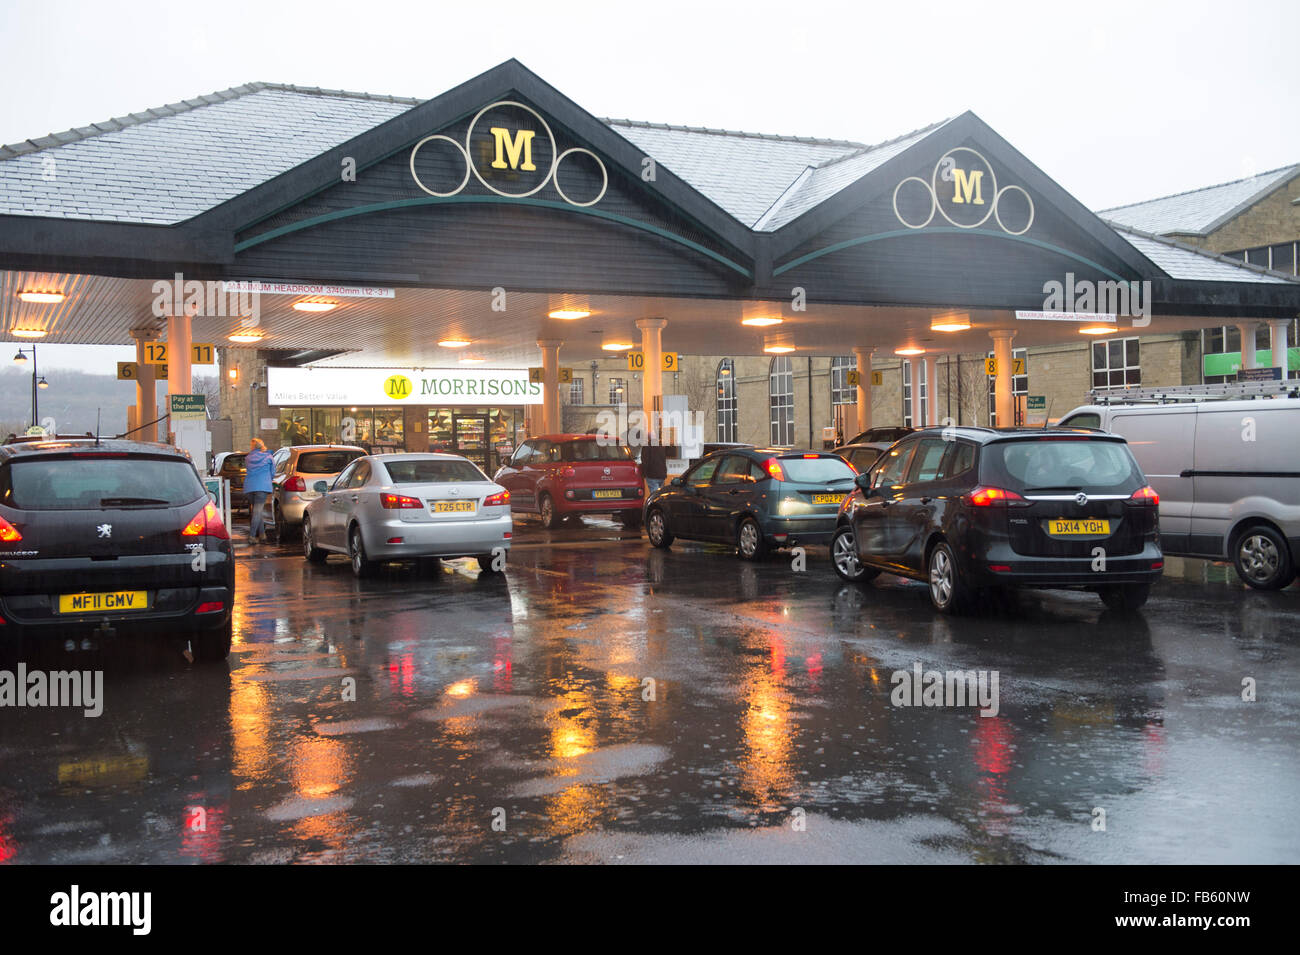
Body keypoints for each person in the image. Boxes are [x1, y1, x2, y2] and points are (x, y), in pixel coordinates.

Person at [243, 438, 274, 544]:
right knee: (257, 512)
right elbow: (272, 473)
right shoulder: (269, 457)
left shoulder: (248, 458)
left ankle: (262, 535)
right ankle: (252, 536)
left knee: (257, 511)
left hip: (249, 487)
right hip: (262, 487)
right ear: (262, 446)